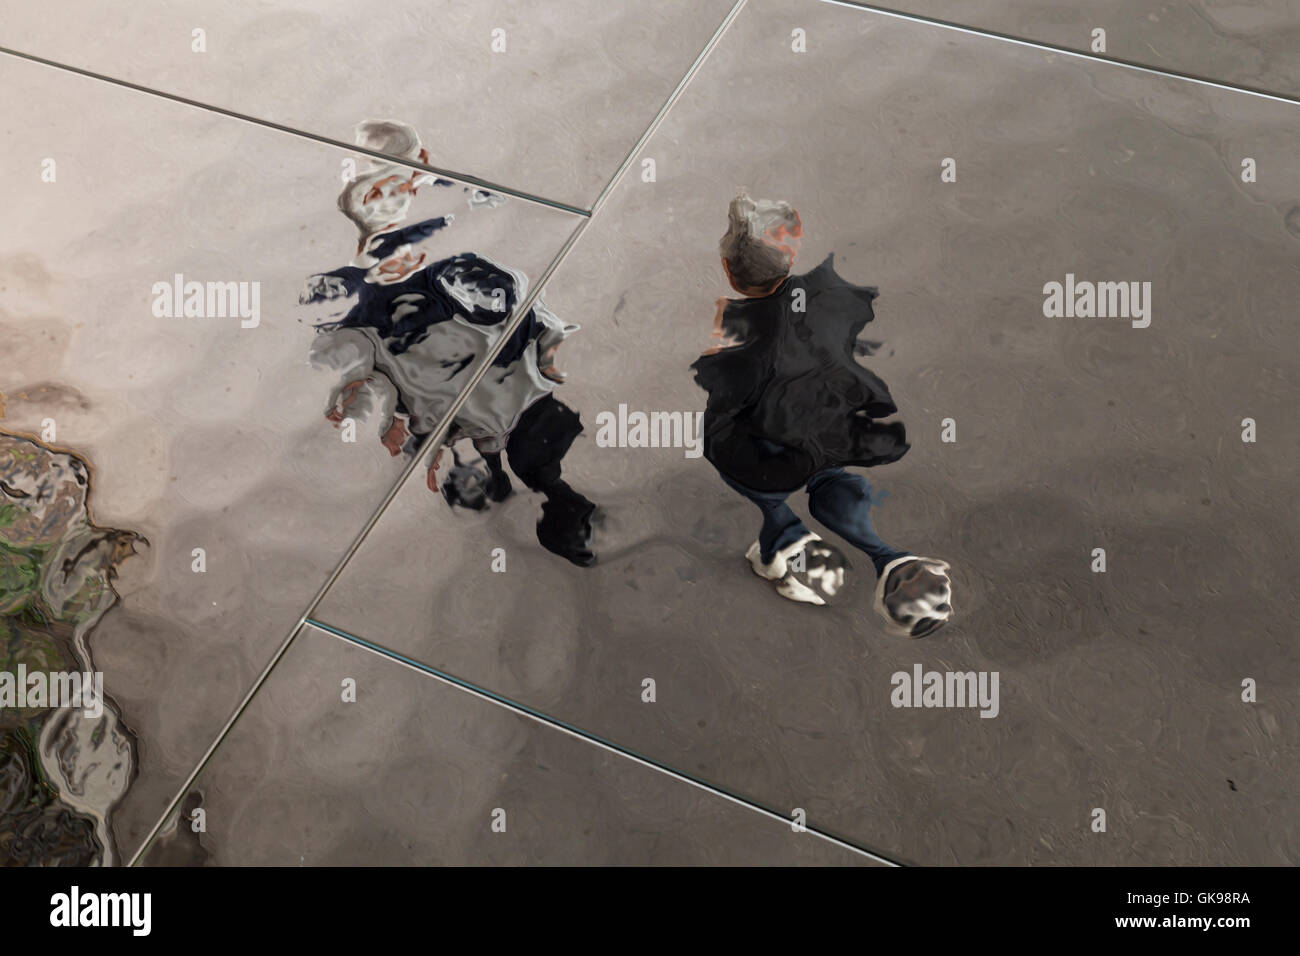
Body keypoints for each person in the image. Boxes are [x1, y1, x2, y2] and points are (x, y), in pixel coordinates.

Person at [302, 120, 596, 566]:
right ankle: (501, 477)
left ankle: (559, 500)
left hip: (496, 385)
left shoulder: (449, 253)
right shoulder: (375, 293)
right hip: (455, 390)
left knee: (524, 451)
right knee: (486, 436)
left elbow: (505, 300)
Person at [691, 191, 953, 636]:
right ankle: (886, 557)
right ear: (790, 256)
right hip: (830, 429)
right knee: (825, 474)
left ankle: (785, 540)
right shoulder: (826, 294)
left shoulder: (741, 335)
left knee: (755, 477)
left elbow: (726, 398)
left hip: (764, 455)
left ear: (729, 272)